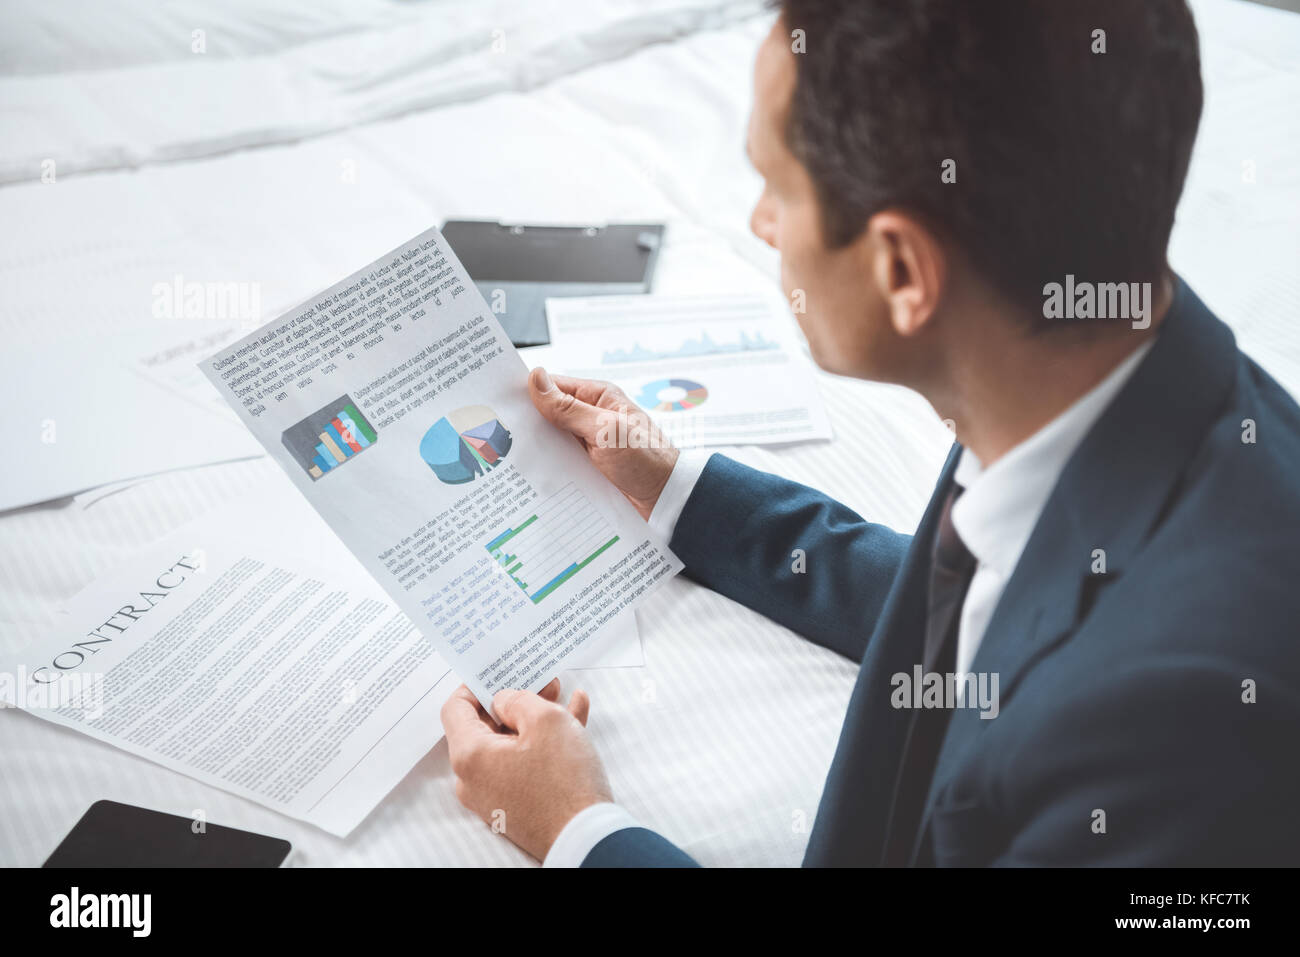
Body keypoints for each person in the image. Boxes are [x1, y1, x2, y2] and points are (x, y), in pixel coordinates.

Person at [440, 0, 1300, 866]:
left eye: (776, 188)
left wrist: (576, 827)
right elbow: (979, 610)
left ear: (901, 271)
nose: (758, 224)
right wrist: (678, 489)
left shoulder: (1160, 748)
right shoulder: (1080, 367)